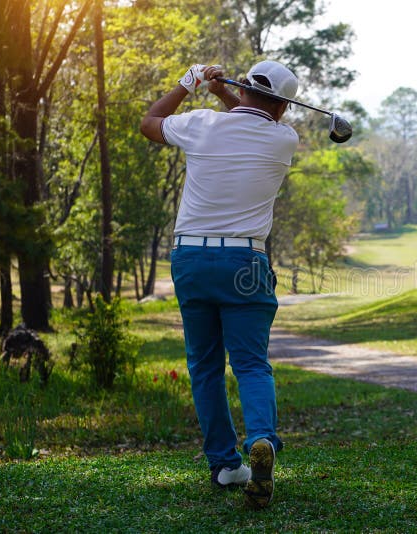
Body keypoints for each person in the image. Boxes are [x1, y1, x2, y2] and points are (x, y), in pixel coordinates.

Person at [140, 60, 299, 509]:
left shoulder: (201, 126)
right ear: (285, 106)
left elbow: (148, 123)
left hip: (192, 257)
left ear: (243, 87)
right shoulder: (284, 139)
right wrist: (226, 95)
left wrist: (191, 84)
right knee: (250, 364)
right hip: (245, 260)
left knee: (205, 367)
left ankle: (225, 465)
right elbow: (255, 119)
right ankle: (262, 439)